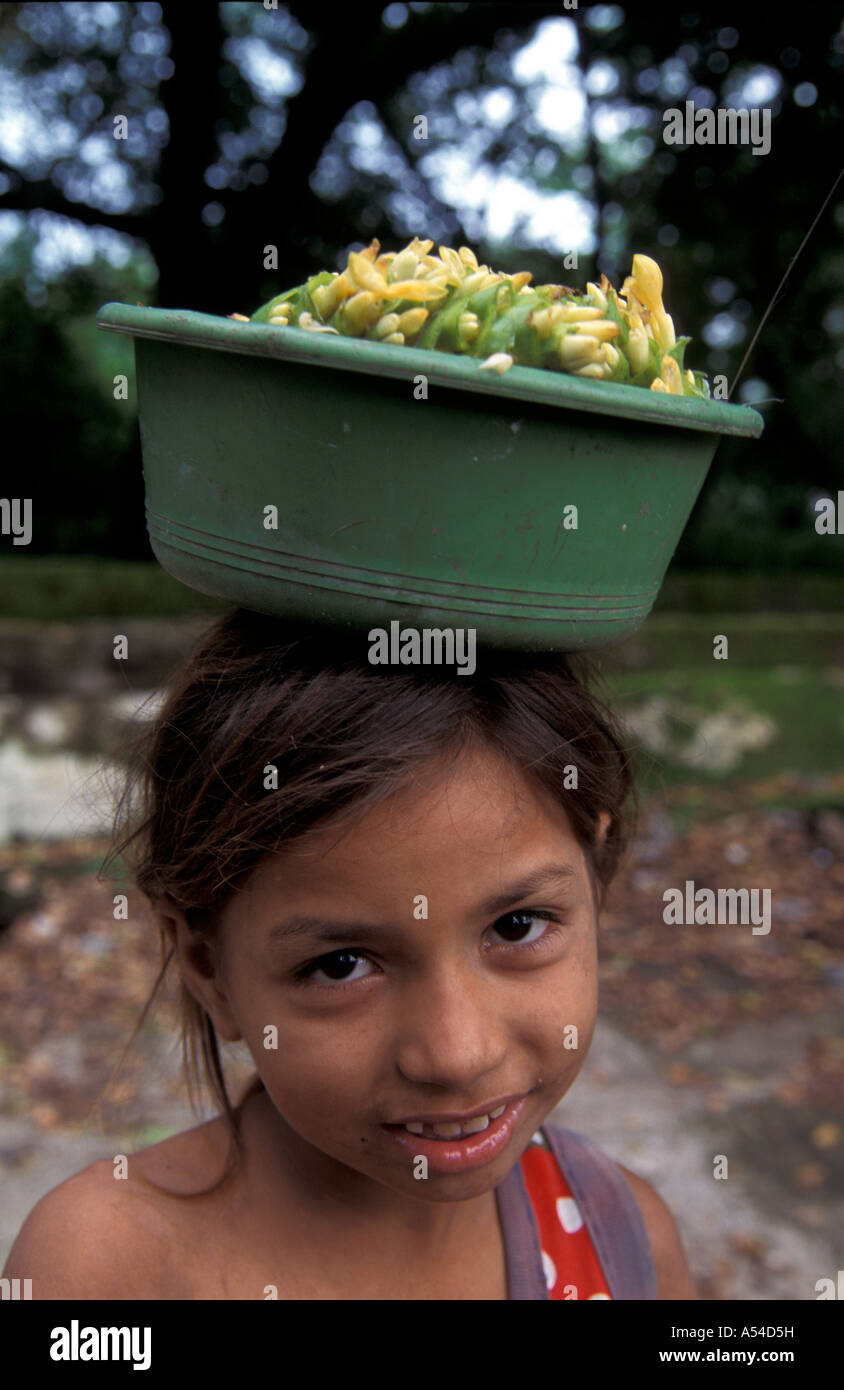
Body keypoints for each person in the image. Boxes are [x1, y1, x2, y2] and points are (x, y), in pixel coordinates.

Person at [2, 607, 697, 1300]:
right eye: (341, 965)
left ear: (595, 879)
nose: (458, 1053)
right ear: (208, 969)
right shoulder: (106, 1272)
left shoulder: (623, 1246)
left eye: (517, 927)